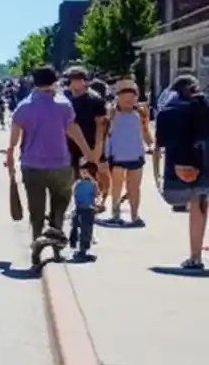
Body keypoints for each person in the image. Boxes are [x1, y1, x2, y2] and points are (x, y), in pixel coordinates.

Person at [7, 66, 94, 245]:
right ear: (55, 82)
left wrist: (10, 154)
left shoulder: (24, 107)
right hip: (61, 164)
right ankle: (55, 243)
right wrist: (89, 155)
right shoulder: (64, 105)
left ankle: (37, 245)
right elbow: (73, 131)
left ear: (34, 83)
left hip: (32, 165)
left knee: (36, 210)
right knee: (59, 208)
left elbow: (14, 140)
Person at [155, 75, 209, 270]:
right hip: (206, 160)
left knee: (197, 205)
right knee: (202, 205)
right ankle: (196, 256)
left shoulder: (170, 110)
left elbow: (160, 143)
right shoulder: (204, 105)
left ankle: (195, 257)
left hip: (184, 164)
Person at [102, 78, 154, 226]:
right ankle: (115, 214)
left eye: (132, 98)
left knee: (134, 187)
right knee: (117, 186)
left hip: (136, 154)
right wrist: (103, 155)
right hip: (117, 154)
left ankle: (135, 215)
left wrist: (152, 146)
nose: (129, 102)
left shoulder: (141, 113)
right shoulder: (111, 112)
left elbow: (145, 132)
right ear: (118, 97)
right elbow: (105, 133)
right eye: (125, 98)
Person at [70, 163, 99, 262]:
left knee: (86, 230)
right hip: (79, 208)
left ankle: (84, 250)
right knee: (78, 228)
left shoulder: (93, 184)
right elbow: (73, 192)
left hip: (89, 209)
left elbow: (96, 195)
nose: (83, 174)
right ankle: (79, 248)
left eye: (86, 172)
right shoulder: (78, 183)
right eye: (82, 172)